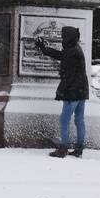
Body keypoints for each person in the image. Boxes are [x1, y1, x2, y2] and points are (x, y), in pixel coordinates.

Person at [36, 27, 88, 158]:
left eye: (63, 36)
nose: (62, 38)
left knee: (64, 120)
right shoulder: (75, 49)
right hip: (81, 91)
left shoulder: (71, 52)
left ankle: (63, 148)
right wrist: (44, 49)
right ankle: (79, 148)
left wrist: (60, 91)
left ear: (68, 37)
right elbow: (61, 55)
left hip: (73, 91)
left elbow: (67, 76)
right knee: (79, 120)